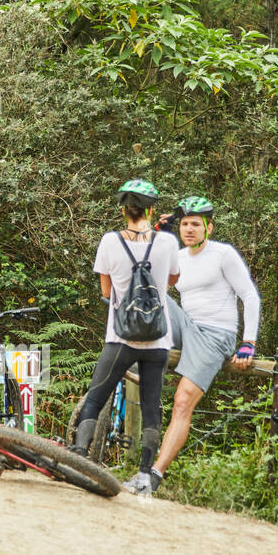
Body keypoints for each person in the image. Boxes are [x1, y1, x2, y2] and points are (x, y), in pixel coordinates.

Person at [145, 196, 261, 495]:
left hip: (215, 334)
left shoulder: (224, 254)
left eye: (196, 224)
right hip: (187, 325)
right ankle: (135, 356)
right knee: (149, 289)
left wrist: (248, 342)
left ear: (209, 227)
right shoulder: (178, 258)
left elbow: (249, 296)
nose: (189, 229)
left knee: (182, 402)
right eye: (184, 224)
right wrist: (157, 232)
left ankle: (153, 476)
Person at [70, 179, 181, 492]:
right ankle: (145, 475)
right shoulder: (168, 242)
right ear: (151, 209)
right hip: (158, 341)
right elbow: (171, 281)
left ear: (123, 210)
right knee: (151, 406)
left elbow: (106, 291)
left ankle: (78, 459)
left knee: (95, 398)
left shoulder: (109, 241)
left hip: (120, 339)